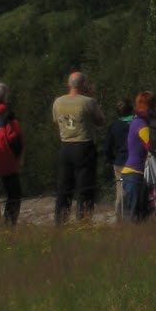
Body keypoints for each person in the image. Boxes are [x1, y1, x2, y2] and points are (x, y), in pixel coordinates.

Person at [52, 70, 105, 224]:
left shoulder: (58, 102)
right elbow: (100, 120)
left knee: (64, 187)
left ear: (69, 84)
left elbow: (56, 120)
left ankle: (60, 220)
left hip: (65, 145)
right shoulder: (88, 102)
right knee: (85, 187)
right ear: (83, 85)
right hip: (84, 144)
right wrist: (91, 96)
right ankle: (84, 220)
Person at [0, 83, 23, 226]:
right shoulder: (9, 118)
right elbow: (15, 141)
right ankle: (9, 223)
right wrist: (19, 157)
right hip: (6, 161)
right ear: (5, 98)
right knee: (14, 194)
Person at [121, 92, 154, 222]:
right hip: (134, 173)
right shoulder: (141, 125)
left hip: (132, 173)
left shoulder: (135, 121)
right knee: (135, 215)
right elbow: (151, 145)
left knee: (137, 214)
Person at [105, 99, 133, 220]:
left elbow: (107, 147)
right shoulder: (136, 123)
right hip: (135, 161)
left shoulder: (114, 126)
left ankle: (119, 217)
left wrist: (111, 159)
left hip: (120, 162)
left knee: (120, 192)